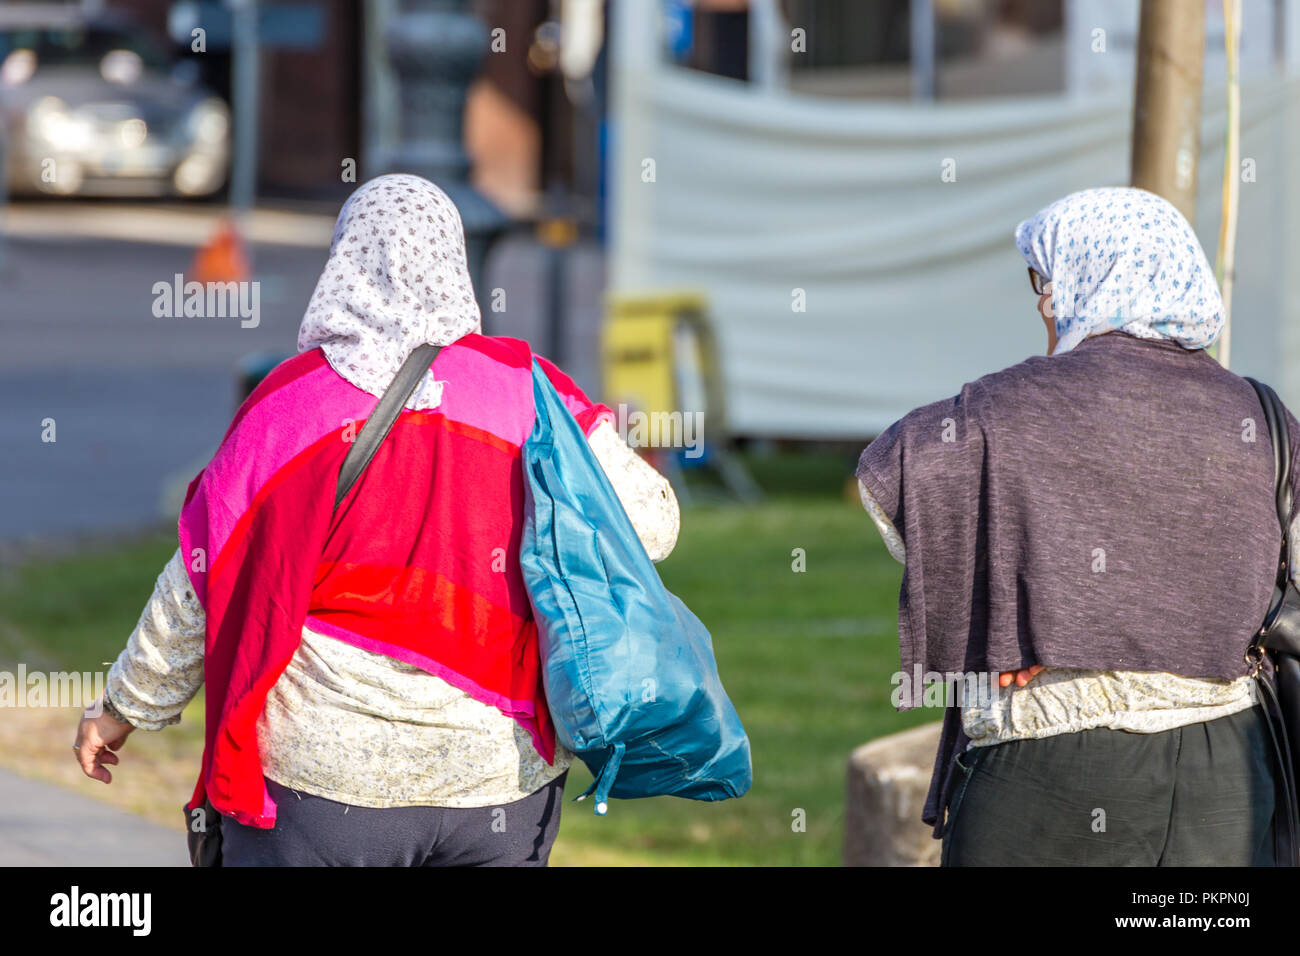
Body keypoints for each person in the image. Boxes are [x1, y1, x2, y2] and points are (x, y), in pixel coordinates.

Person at [72, 173, 680, 867]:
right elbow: (652, 527)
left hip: (319, 794)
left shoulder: (288, 410)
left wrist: (124, 711)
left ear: (346, 262)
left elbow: (200, 582)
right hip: (498, 788)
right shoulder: (531, 393)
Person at [856, 186, 1290, 866]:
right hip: (1230, 776)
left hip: (1048, 772)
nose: (1043, 302)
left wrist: (1021, 620)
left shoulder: (988, 416)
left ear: (1089, 277)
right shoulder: (1263, 423)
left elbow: (887, 486)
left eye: (1047, 279)